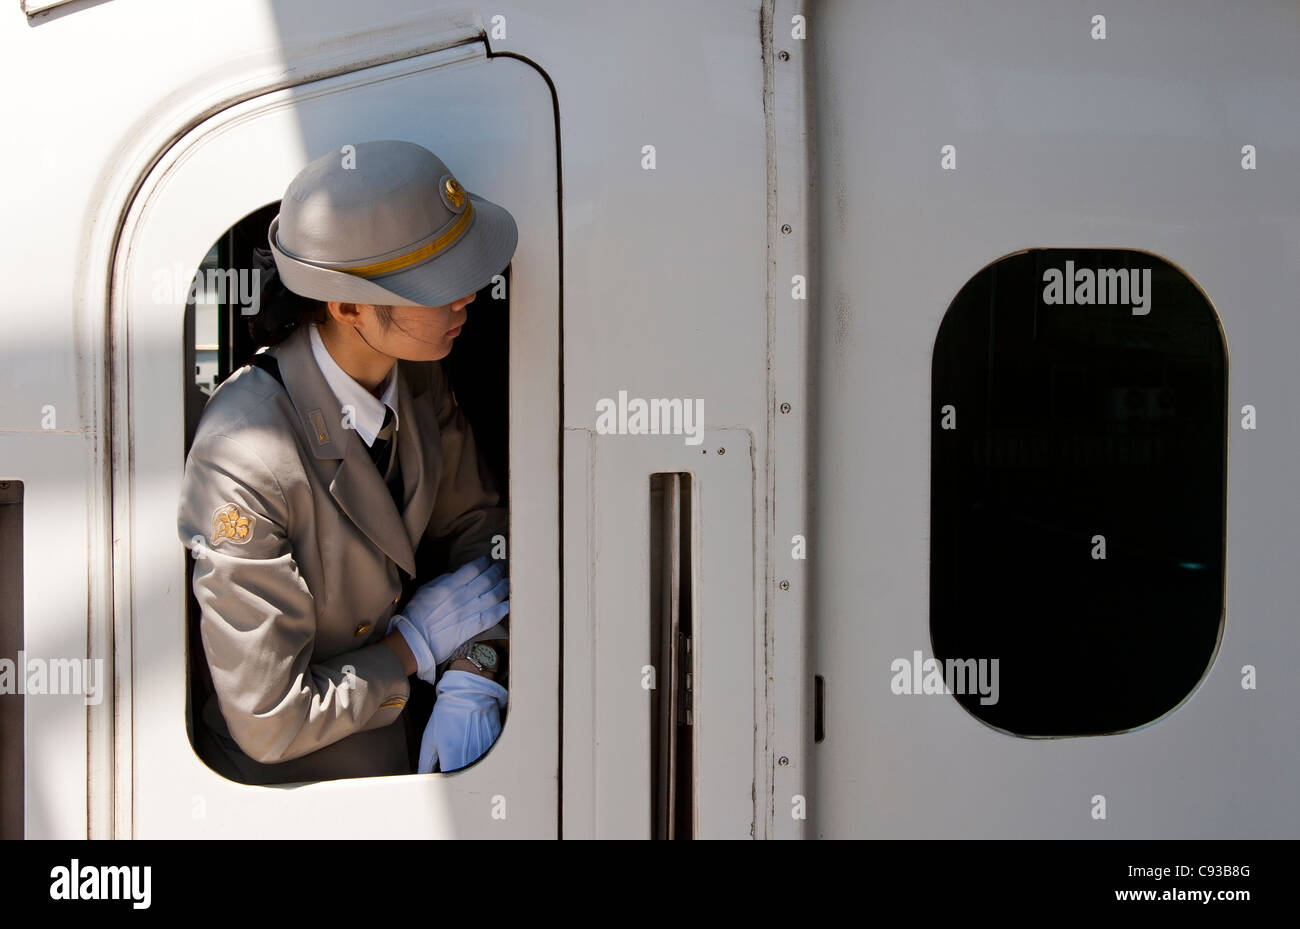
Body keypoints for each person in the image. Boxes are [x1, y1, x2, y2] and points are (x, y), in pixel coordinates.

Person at [178, 140, 516, 784]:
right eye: (434, 287)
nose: (466, 297)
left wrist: (477, 664)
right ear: (347, 305)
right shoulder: (246, 452)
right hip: (296, 795)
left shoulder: (418, 381)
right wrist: (410, 649)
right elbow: (270, 718)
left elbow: (482, 533)